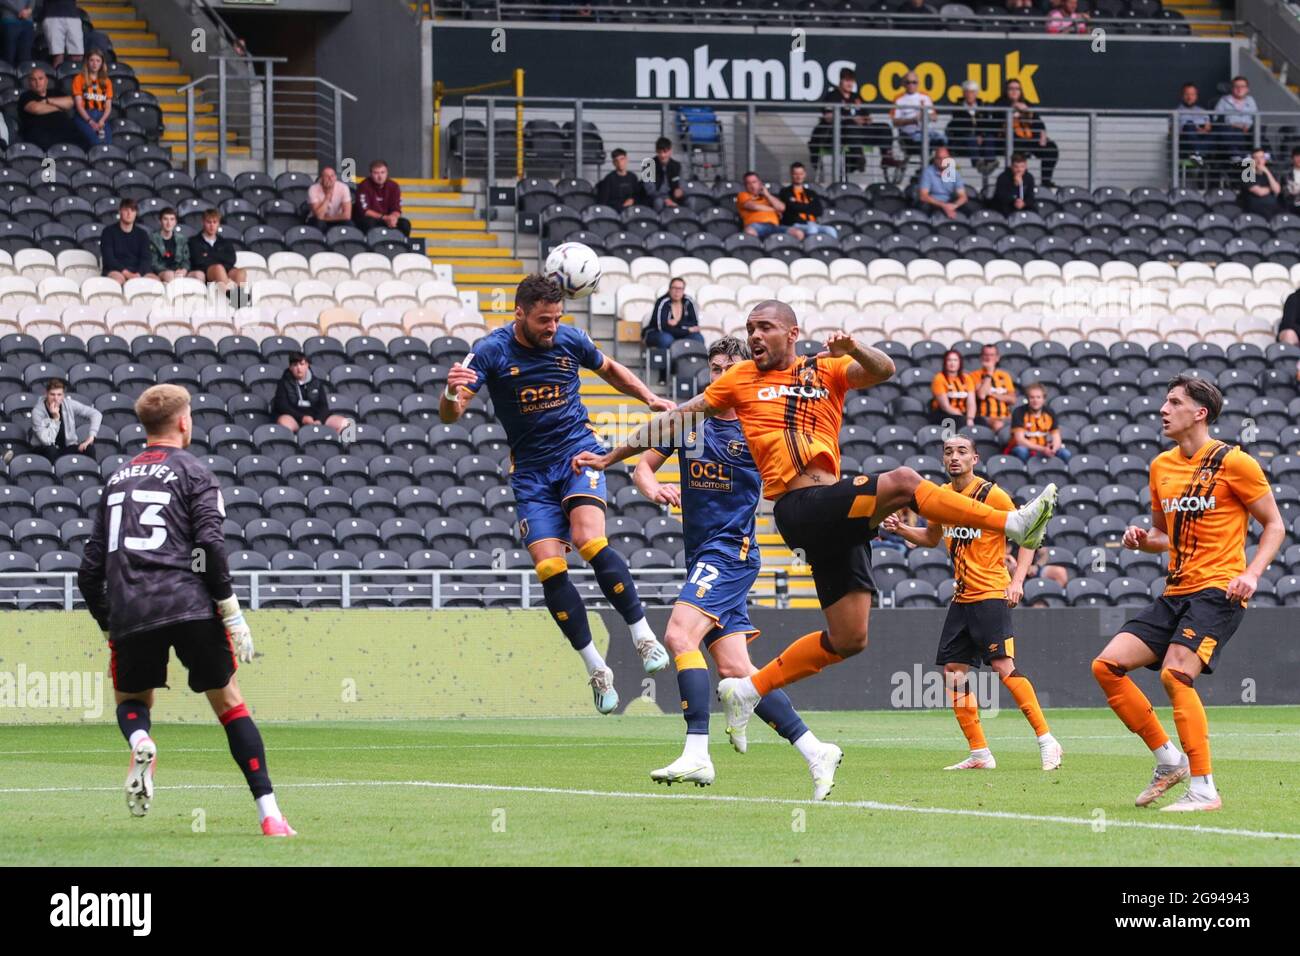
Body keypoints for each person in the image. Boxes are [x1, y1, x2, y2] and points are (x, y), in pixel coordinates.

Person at [573, 302, 1059, 753]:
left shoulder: (825, 369)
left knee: (849, 639)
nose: (755, 336)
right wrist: (613, 455)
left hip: (834, 513)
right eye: (749, 329)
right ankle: (1010, 522)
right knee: (907, 480)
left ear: (792, 333)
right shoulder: (739, 379)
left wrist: (853, 349)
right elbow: (672, 421)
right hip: (800, 506)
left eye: (764, 328)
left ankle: (750, 689)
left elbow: (884, 369)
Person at [440, 275, 674, 713]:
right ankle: (596, 669)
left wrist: (648, 397)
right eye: (544, 320)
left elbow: (610, 370)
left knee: (589, 540)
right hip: (531, 473)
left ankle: (642, 635)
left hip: (578, 453)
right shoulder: (490, 351)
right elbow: (452, 415)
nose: (551, 327)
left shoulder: (570, 340)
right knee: (549, 566)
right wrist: (451, 392)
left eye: (557, 319)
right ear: (519, 314)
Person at [77, 384, 296, 836]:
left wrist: (109, 624)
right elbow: (210, 546)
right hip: (190, 605)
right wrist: (232, 612)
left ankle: (141, 741)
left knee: (134, 702)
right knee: (230, 705)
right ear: (183, 421)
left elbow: (89, 570)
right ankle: (270, 814)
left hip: (132, 608)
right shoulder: (195, 472)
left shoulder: (116, 479)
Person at [633, 336, 842, 797]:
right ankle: (815, 750)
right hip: (703, 555)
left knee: (677, 635)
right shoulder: (688, 421)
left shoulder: (758, 427)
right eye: (714, 367)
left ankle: (696, 751)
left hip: (731, 551)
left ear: (746, 374)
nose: (720, 374)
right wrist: (652, 488)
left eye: (730, 367)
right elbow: (642, 466)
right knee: (736, 671)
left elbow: (809, 477)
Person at [1091, 375, 1284, 812]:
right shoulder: (1160, 466)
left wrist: (1252, 573)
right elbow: (1164, 535)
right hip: (1175, 591)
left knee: (1175, 675)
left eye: (1174, 402)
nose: (1163, 409)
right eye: (1164, 401)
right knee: (1106, 666)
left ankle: (1204, 789)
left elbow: (1275, 525)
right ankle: (1168, 760)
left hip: (1219, 590)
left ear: (1200, 413)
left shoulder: (1235, 463)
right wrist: (1144, 540)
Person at [881, 434, 1062, 772]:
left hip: (992, 593)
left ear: (975, 459)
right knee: (952, 672)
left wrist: (1019, 580)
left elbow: (1029, 534)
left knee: (1003, 667)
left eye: (962, 452)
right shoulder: (939, 496)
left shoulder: (992, 494)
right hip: (961, 597)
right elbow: (932, 538)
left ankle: (1047, 740)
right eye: (948, 452)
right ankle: (980, 753)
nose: (954, 457)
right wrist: (903, 531)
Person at [810, 67, 892, 174]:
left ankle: (886, 156)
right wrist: (851, 118)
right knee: (850, 124)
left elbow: (867, 116)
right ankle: (858, 158)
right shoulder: (832, 96)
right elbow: (828, 117)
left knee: (884, 127)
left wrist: (866, 120)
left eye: (852, 81)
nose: (850, 84)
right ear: (841, 81)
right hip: (841, 134)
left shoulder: (856, 97)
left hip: (860, 132)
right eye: (847, 80)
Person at [271, 351, 353, 437]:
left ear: (307, 365)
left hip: (315, 418)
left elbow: (324, 406)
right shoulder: (283, 383)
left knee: (347, 424)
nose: (299, 368)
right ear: (290, 367)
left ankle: (330, 443)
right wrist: (302, 418)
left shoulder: (316, 382)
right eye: (295, 365)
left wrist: (319, 420)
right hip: (295, 418)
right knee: (284, 423)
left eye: (302, 364)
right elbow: (282, 406)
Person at [997, 78, 1059, 188]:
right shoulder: (1000, 103)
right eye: (1011, 89)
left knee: (1051, 149)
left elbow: (1039, 123)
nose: (1014, 91)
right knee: (1019, 151)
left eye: (1017, 89)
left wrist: (1043, 136)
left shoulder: (1027, 104)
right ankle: (1018, 181)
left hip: (1030, 139)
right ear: (1006, 90)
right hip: (1011, 140)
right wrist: (1013, 107)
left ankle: (1046, 181)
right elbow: (996, 121)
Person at [30, 377, 100, 464]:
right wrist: (55, 419)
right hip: (43, 449)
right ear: (46, 394)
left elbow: (96, 414)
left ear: (63, 396)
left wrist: (91, 436)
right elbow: (46, 440)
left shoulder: (68, 404)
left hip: (66, 448)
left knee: (89, 448)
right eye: (52, 394)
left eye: (59, 395)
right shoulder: (37, 412)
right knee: (51, 450)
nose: (56, 398)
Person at [17, 67, 79, 150]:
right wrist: (59, 107)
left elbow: (70, 102)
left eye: (40, 79)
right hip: (41, 134)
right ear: (29, 83)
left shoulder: (56, 92)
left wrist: (47, 100)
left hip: (64, 130)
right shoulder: (26, 96)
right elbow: (35, 108)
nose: (37, 82)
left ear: (46, 81)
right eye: (33, 80)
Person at [945, 80, 999, 175]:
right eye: (967, 91)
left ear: (976, 93)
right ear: (963, 93)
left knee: (989, 137)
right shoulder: (957, 108)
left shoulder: (983, 107)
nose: (970, 95)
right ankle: (978, 163)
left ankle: (991, 161)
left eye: (973, 92)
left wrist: (981, 135)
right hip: (964, 139)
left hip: (981, 138)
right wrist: (974, 135)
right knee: (970, 138)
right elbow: (959, 125)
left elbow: (986, 124)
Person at [1009, 382, 1072, 462]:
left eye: (1038, 397)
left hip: (1043, 447)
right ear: (1028, 399)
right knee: (1021, 451)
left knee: (1065, 453)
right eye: (1032, 397)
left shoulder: (1050, 412)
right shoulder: (1019, 412)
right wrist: (1043, 449)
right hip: (1026, 448)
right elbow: (1020, 440)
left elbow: (1057, 438)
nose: (1035, 400)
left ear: (1044, 399)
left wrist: (1053, 449)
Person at [187, 208, 246, 292]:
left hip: (226, 270)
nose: (212, 225)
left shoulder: (224, 242)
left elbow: (231, 259)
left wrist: (209, 254)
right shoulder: (194, 241)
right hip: (206, 271)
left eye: (215, 222)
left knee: (241, 272)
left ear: (218, 223)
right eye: (209, 222)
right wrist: (219, 256)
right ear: (203, 222)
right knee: (218, 268)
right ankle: (233, 297)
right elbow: (198, 260)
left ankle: (239, 300)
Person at [100, 198, 154, 285]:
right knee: (117, 281)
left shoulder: (142, 234)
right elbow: (109, 258)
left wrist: (138, 274)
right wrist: (127, 274)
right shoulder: (108, 232)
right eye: (126, 210)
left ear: (136, 213)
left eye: (132, 210)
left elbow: (146, 258)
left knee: (155, 282)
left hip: (137, 271)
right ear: (120, 211)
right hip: (116, 270)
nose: (129, 214)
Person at [777, 161, 836, 240]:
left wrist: (800, 206)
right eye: (796, 174)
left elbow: (818, 210)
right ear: (791, 174)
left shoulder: (811, 193)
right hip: (796, 224)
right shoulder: (785, 192)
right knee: (812, 229)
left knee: (830, 230)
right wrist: (808, 207)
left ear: (805, 174)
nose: (798, 177)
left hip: (813, 223)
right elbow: (792, 208)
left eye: (801, 174)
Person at [644, 277, 704, 352]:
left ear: (683, 290)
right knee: (666, 339)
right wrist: (687, 330)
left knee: (698, 338)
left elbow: (694, 325)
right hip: (657, 333)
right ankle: (667, 363)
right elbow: (662, 327)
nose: (677, 291)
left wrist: (677, 323)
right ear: (669, 289)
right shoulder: (662, 302)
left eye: (680, 289)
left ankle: (693, 363)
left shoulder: (688, 302)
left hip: (679, 333)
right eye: (674, 288)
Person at [891, 71, 945, 151]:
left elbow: (935, 117)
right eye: (908, 82)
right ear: (903, 84)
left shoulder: (926, 97)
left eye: (914, 82)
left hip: (928, 131)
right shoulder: (898, 99)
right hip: (910, 134)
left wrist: (925, 116)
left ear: (918, 83)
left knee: (943, 139)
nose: (911, 85)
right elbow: (895, 122)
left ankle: (945, 163)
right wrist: (912, 120)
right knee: (924, 141)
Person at [355, 159, 410, 237]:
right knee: (368, 223)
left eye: (382, 172)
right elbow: (364, 211)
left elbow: (397, 208)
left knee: (404, 224)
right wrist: (384, 218)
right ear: (371, 174)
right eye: (376, 173)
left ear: (387, 173)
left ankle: (401, 247)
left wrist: (393, 218)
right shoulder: (364, 186)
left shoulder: (394, 186)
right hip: (372, 219)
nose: (380, 176)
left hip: (388, 218)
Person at [70, 47, 111, 148]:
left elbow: (108, 106)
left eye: (98, 61)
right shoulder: (79, 79)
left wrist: (102, 120)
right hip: (85, 116)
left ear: (102, 63)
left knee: (108, 144)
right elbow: (79, 105)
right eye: (92, 60)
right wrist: (90, 121)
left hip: (101, 116)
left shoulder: (106, 81)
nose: (95, 63)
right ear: (87, 62)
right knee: (95, 143)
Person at [971, 342, 1017, 430]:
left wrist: (992, 393)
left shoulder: (1005, 376)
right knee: (998, 425)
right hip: (985, 416)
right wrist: (989, 373)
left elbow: (1013, 400)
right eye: (986, 355)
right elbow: (981, 395)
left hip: (1006, 417)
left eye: (992, 355)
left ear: (997, 358)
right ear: (981, 357)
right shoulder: (974, 375)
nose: (989, 358)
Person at [1212, 75, 1257, 165]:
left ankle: (1263, 157)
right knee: (1228, 131)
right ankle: (1239, 156)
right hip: (1231, 131)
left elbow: (1256, 117)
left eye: (1242, 87)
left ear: (1247, 89)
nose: (1239, 89)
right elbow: (1216, 118)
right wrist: (1235, 125)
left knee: (1260, 130)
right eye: (1236, 86)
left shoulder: (1250, 100)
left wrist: (1248, 127)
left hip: (1247, 131)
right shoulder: (1224, 100)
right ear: (1232, 88)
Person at [917, 145, 968, 220]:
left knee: (967, 208)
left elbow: (963, 197)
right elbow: (923, 196)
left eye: (945, 158)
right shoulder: (927, 172)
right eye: (939, 158)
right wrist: (944, 206)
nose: (942, 161)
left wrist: (953, 206)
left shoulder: (955, 173)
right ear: (935, 160)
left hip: (950, 203)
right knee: (923, 207)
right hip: (933, 203)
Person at [930, 348, 976, 426]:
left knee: (981, 422)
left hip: (963, 414)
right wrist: (964, 418)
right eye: (949, 360)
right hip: (944, 415)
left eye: (955, 360)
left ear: (960, 363)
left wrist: (970, 418)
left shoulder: (967, 378)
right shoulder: (939, 378)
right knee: (961, 421)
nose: (952, 363)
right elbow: (945, 407)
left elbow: (971, 402)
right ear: (945, 363)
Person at [149, 207, 196, 282]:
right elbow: (154, 263)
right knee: (169, 274)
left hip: (179, 271)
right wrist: (171, 272)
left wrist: (183, 270)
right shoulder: (152, 239)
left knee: (199, 274)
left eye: (172, 219)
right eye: (165, 219)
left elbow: (186, 260)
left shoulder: (182, 239)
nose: (169, 223)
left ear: (175, 222)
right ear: (160, 221)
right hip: (161, 272)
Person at [736, 170, 786, 239]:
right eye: (748, 183)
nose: (752, 186)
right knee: (749, 232)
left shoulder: (768, 198)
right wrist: (774, 210)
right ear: (745, 186)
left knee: (797, 233)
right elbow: (754, 206)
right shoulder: (743, 195)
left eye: (754, 182)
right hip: (756, 226)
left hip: (775, 226)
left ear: (760, 183)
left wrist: (767, 195)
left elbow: (782, 207)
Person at [1177, 82, 1214, 168]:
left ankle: (1197, 154)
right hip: (1185, 144)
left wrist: (1201, 131)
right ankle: (1197, 153)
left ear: (1196, 96)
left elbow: (1208, 128)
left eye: (1192, 94)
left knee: (1219, 134)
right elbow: (1172, 131)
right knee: (1189, 125)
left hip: (1201, 138)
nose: (1189, 97)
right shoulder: (1176, 113)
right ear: (1182, 96)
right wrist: (1193, 129)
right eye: (1187, 94)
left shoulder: (1203, 111)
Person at [305, 165, 352, 232]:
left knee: (349, 224)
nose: (330, 179)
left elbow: (347, 215)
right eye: (327, 176)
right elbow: (319, 216)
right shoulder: (313, 189)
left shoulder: (343, 188)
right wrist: (327, 197)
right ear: (321, 179)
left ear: (335, 178)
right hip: (315, 219)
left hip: (336, 218)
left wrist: (327, 218)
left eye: (332, 176)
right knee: (319, 223)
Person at [643, 137, 684, 209]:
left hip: (673, 198)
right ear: (656, 151)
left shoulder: (677, 165)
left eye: (665, 152)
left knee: (690, 200)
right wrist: (665, 199)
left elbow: (682, 184)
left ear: (670, 151)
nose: (662, 155)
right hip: (655, 198)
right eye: (660, 152)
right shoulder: (648, 165)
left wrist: (681, 191)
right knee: (658, 202)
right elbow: (650, 190)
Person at [990, 152, 1036, 217]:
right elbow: (1002, 198)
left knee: (1033, 210)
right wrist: (1015, 185)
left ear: (1025, 166)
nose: (1019, 170)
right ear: (1011, 166)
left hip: (1023, 205)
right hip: (1006, 206)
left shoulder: (1029, 177)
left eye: (1022, 167)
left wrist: (1024, 203)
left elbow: (1031, 196)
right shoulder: (1002, 177)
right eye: (1016, 167)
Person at [1239, 147, 1282, 216]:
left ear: (1265, 160)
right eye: (1256, 158)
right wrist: (1271, 189)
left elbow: (1277, 190)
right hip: (1253, 211)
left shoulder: (1270, 173)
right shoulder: (1247, 174)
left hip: (1272, 210)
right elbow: (1259, 192)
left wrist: (1267, 172)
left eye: (1261, 157)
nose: (1259, 161)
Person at [40, 0, 83, 67]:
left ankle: (76, 76)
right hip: (52, 15)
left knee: (77, 55)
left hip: (72, 15)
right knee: (57, 55)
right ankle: (58, 76)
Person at [0, 1, 35, 67]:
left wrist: (29, 9)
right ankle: (7, 76)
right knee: (9, 56)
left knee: (25, 58)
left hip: (27, 21)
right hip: (9, 20)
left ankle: (24, 76)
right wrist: (20, 11)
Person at [1281, 146, 1300, 213]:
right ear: (1292, 158)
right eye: (1297, 156)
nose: (1299, 159)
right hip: (1292, 207)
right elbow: (1286, 194)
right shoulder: (1286, 175)